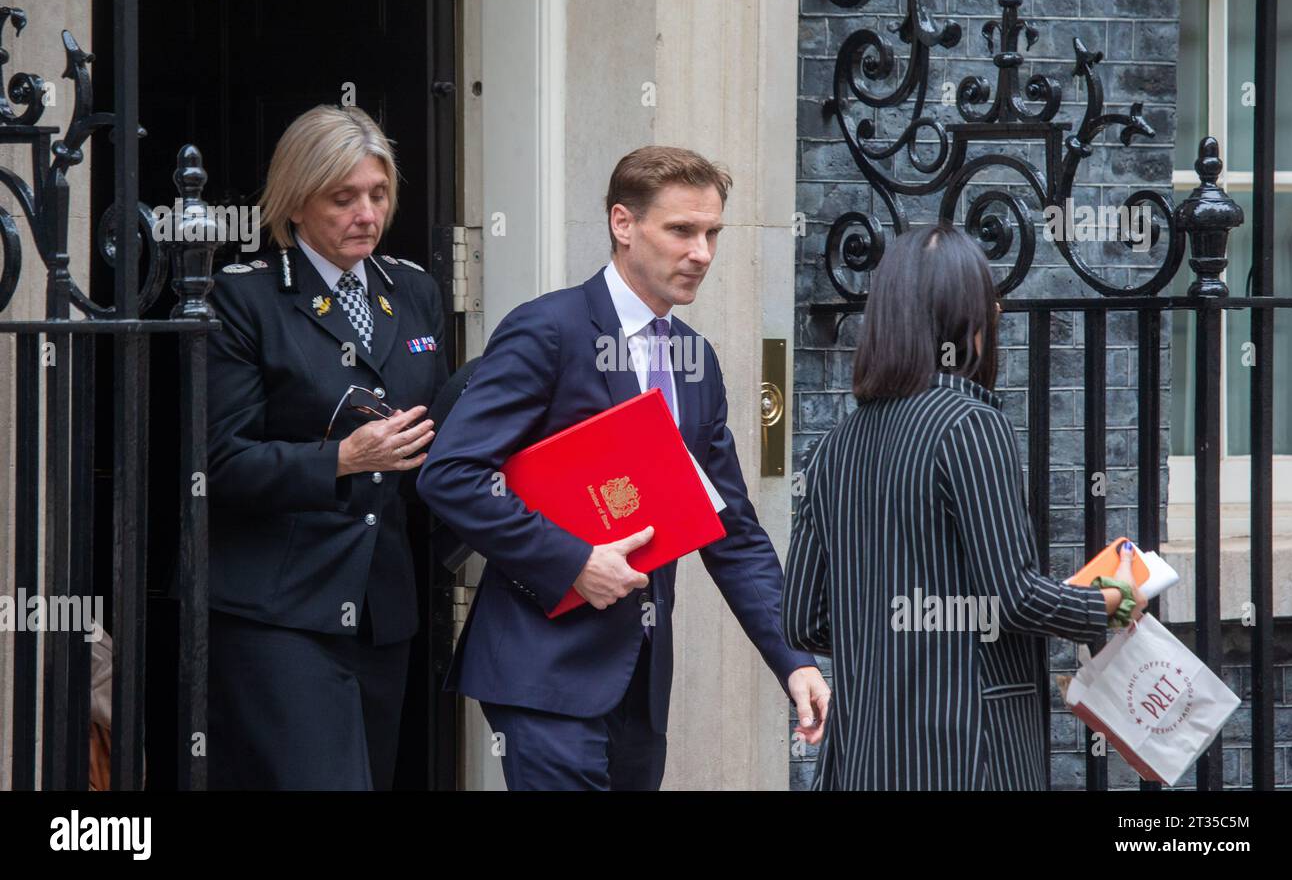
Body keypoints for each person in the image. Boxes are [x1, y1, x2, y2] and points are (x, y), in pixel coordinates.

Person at [418, 145, 830, 790]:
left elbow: (733, 528)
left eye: (712, 233)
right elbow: (451, 474)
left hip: (640, 682)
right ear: (622, 224)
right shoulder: (548, 330)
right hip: (542, 670)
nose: (702, 252)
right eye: (681, 230)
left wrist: (793, 660)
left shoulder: (698, 359)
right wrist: (573, 561)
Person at [782, 222, 1146, 790]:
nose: (995, 313)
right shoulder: (971, 426)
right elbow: (1014, 596)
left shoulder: (833, 449)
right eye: (987, 301)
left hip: (863, 759)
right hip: (964, 752)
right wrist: (1113, 603)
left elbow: (803, 617)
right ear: (965, 319)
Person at [206, 105, 450, 789]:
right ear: (296, 201)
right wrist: (343, 458)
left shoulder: (415, 290)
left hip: (380, 610)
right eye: (343, 198)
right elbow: (218, 464)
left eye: (377, 195)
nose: (365, 213)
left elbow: (439, 432)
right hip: (279, 608)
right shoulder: (243, 298)